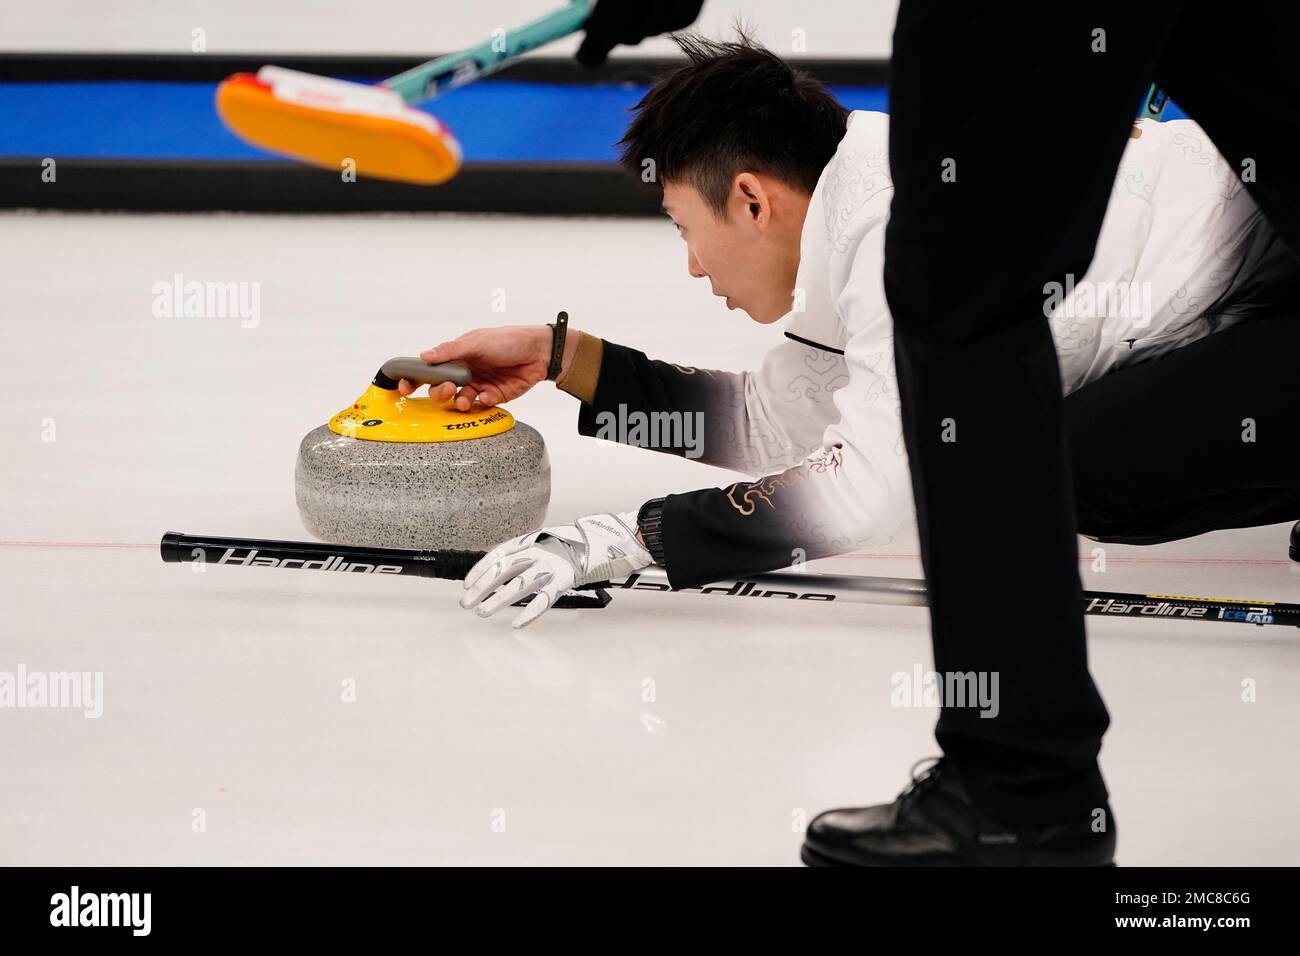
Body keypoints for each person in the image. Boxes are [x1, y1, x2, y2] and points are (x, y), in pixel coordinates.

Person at [403, 35, 1300, 865]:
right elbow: (775, 419)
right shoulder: (869, 203)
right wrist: (569, 361)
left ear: (751, 197)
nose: (693, 267)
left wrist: (624, 542)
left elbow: (867, 488)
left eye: (684, 227)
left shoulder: (896, 228)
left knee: (1067, 465)